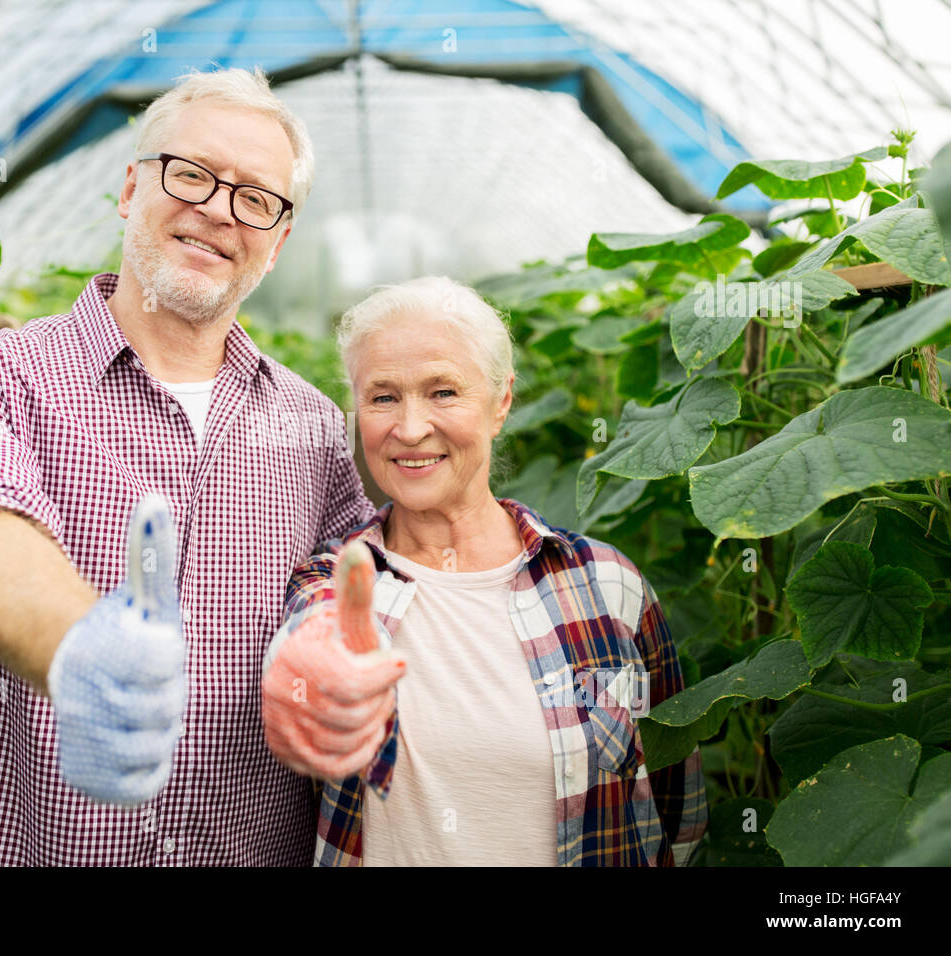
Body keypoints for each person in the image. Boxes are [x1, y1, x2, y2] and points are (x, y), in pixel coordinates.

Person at [0, 66, 377, 865]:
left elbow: (349, 580)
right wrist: (79, 644)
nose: (218, 211)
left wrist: (326, 651)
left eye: (256, 197)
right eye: (190, 174)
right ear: (130, 187)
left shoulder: (315, 426)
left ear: (279, 238)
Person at [261, 276, 709, 866]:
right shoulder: (333, 585)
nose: (411, 427)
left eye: (443, 392)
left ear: (500, 402)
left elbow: (675, 812)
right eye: (382, 397)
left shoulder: (608, 586)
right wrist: (309, 674)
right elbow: (308, 645)